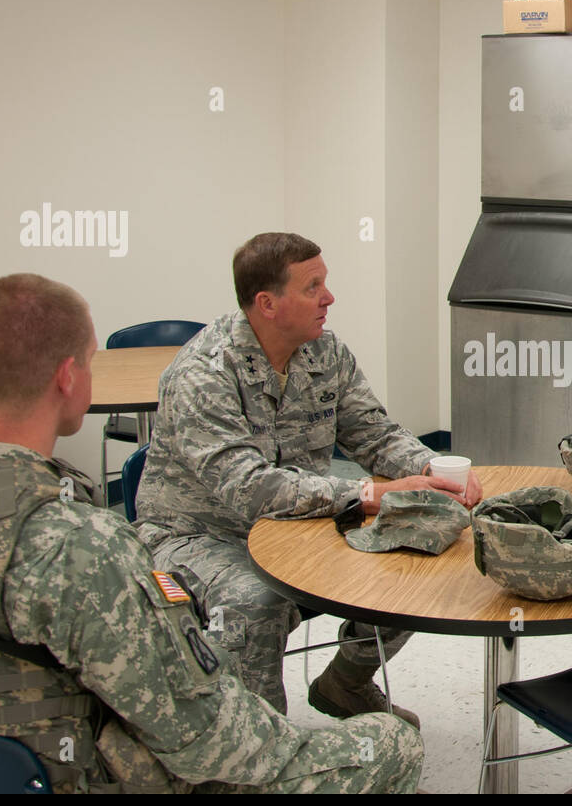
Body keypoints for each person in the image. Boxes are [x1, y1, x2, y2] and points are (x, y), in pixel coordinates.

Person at [0, 274, 422, 793]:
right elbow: (207, 741)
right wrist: (310, 749)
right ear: (69, 377)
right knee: (393, 745)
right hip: (88, 777)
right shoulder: (83, 547)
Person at [135, 232, 481, 723]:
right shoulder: (203, 373)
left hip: (299, 522)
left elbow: (374, 433)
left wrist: (429, 469)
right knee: (255, 601)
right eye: (312, 286)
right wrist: (368, 494)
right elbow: (250, 488)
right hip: (201, 534)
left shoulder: (326, 354)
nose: (329, 297)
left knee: (421, 549)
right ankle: (266, 747)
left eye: (326, 282)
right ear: (267, 303)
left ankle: (346, 684)